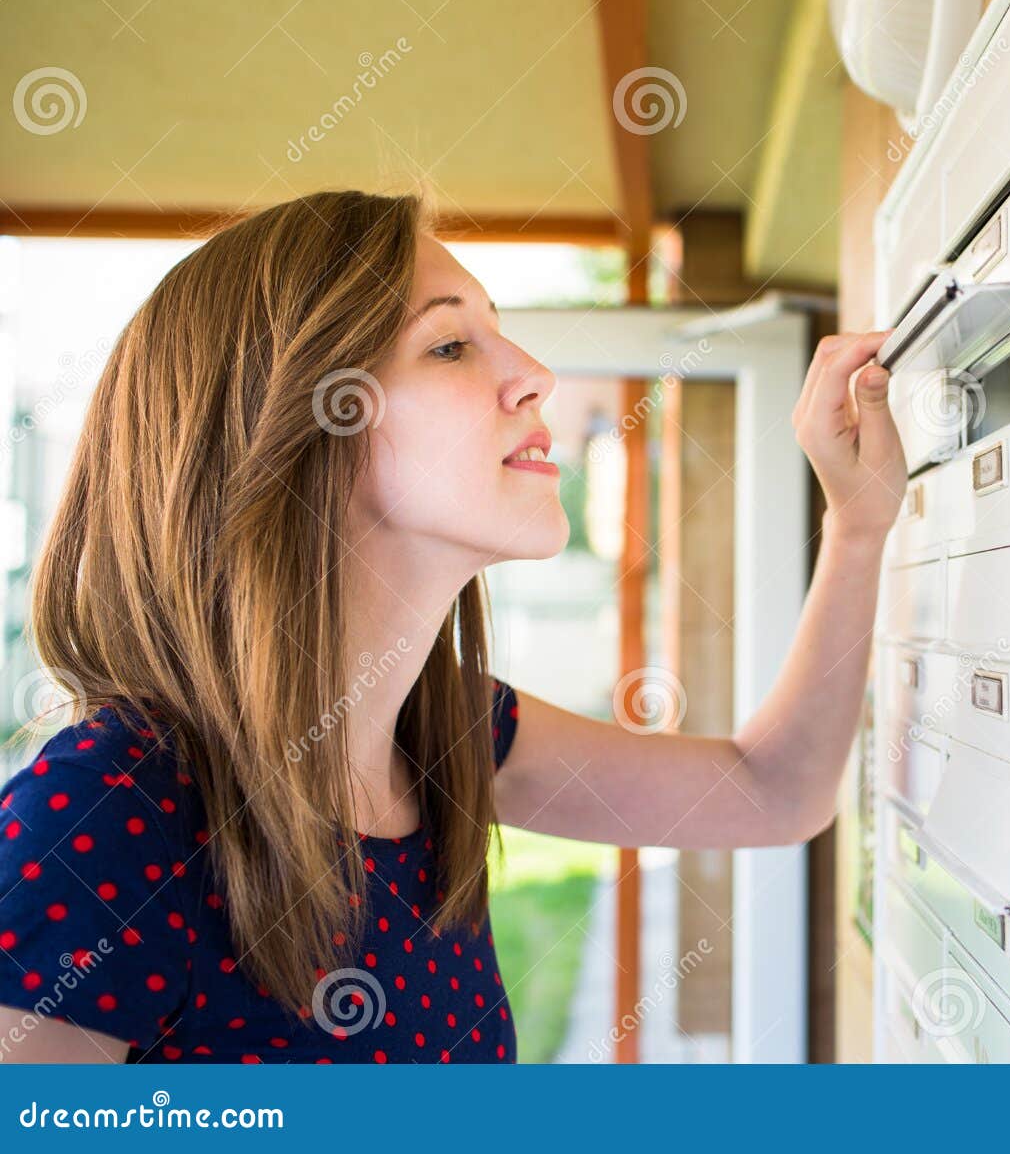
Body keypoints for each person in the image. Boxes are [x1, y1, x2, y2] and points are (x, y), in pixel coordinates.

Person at [0, 190, 904, 1063]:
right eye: (449, 346)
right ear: (297, 423)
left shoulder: (449, 735)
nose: (533, 375)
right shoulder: (111, 811)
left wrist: (859, 525)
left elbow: (777, 793)